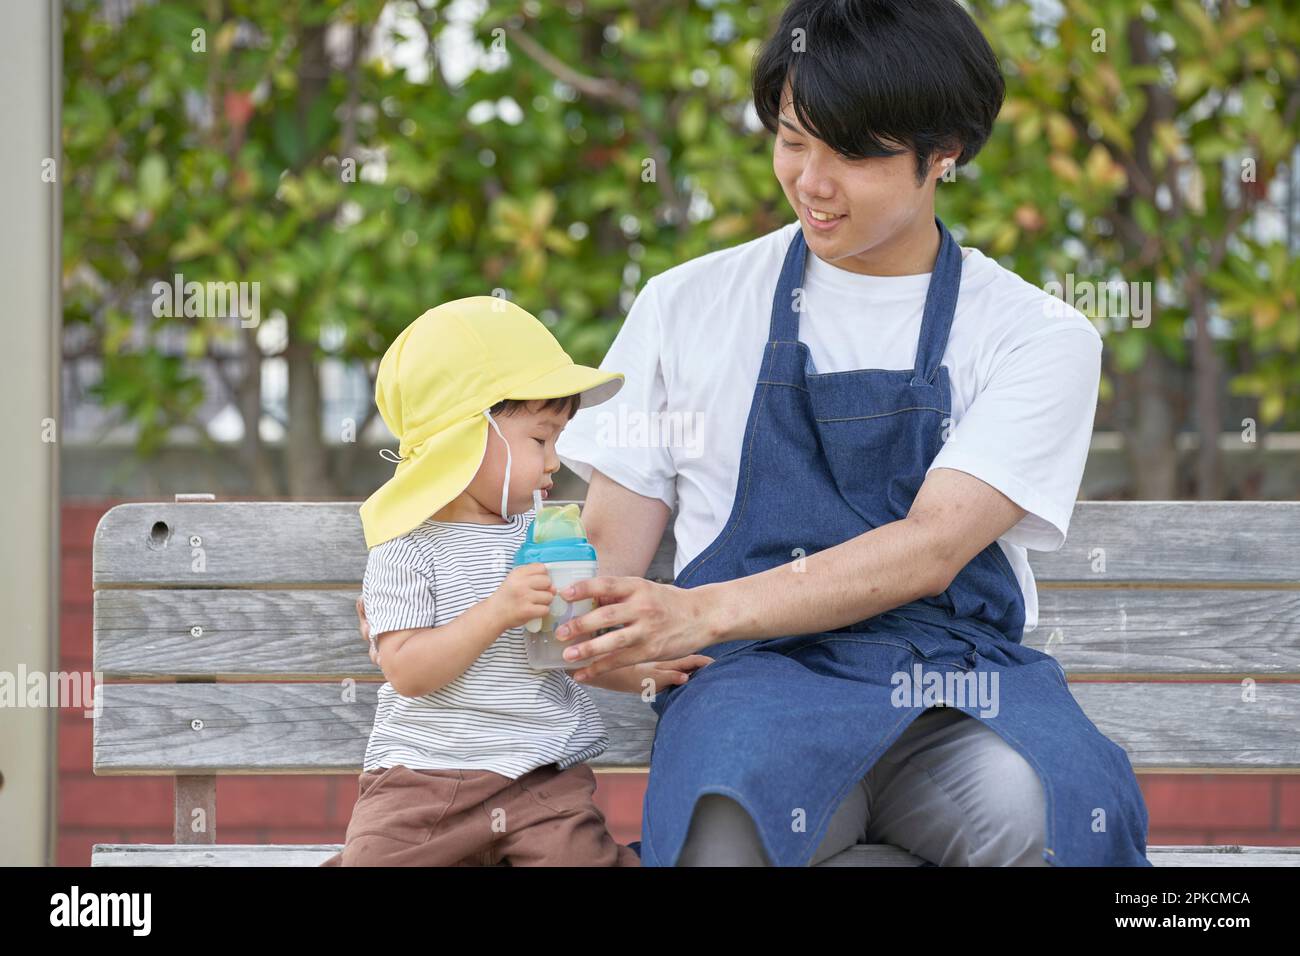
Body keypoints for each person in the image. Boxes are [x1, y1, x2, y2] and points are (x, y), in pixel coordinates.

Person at [358, 0, 1153, 867]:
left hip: (957, 691)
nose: (812, 180)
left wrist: (697, 611)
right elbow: (604, 561)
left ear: (946, 150)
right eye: (792, 139)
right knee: (723, 839)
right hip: (749, 687)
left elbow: (931, 550)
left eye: (853, 151)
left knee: (1057, 824)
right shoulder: (684, 306)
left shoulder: (1036, 335)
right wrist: (546, 624)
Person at [322, 296, 707, 867]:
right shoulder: (405, 544)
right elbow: (406, 670)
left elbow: (563, 646)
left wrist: (642, 675)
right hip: (424, 781)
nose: (556, 460)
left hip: (541, 777)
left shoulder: (544, 535)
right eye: (540, 439)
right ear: (465, 436)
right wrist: (496, 611)